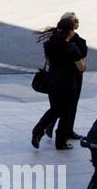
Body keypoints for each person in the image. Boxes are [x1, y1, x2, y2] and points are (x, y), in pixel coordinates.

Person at [32, 12, 86, 150]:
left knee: (55, 109)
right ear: (70, 32)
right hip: (68, 83)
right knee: (66, 113)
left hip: (52, 81)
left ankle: (38, 130)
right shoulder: (71, 48)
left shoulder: (49, 44)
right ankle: (60, 141)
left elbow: (48, 62)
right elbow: (81, 67)